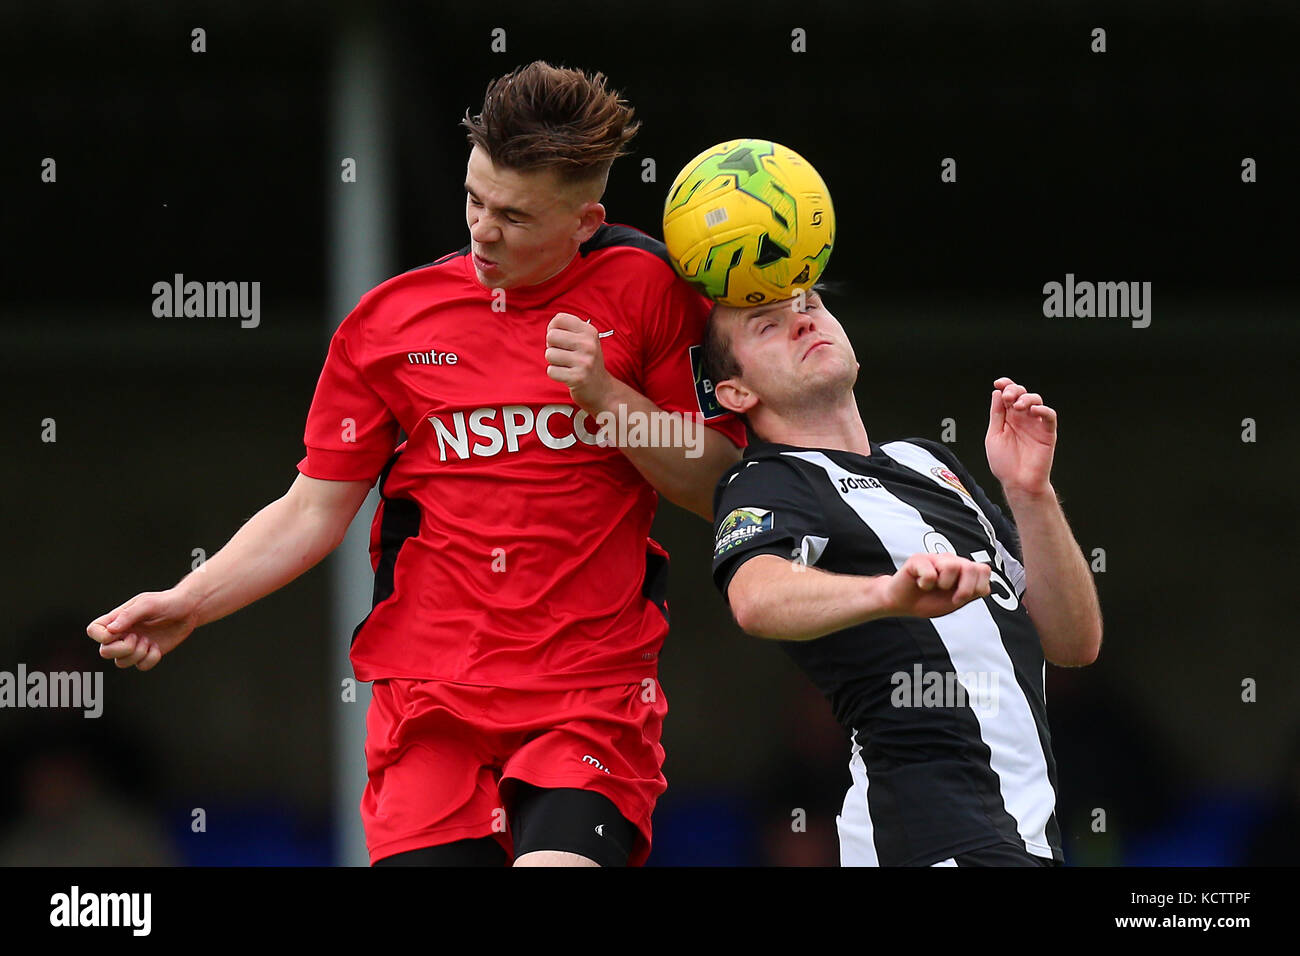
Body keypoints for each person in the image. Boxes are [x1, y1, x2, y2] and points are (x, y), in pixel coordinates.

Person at [86, 61, 745, 867]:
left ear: (586, 220)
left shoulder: (650, 290)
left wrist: (609, 398)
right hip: (429, 705)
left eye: (514, 215)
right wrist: (193, 599)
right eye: (474, 199)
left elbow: (719, 485)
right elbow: (311, 508)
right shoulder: (390, 323)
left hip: (588, 698)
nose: (482, 230)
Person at [704, 287, 1101, 866]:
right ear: (735, 390)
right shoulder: (768, 480)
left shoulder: (928, 464)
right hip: (928, 839)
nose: (801, 323)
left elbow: (1074, 642)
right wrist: (889, 593)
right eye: (767, 325)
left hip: (1027, 841)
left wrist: (1029, 493)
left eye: (810, 305)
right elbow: (755, 597)